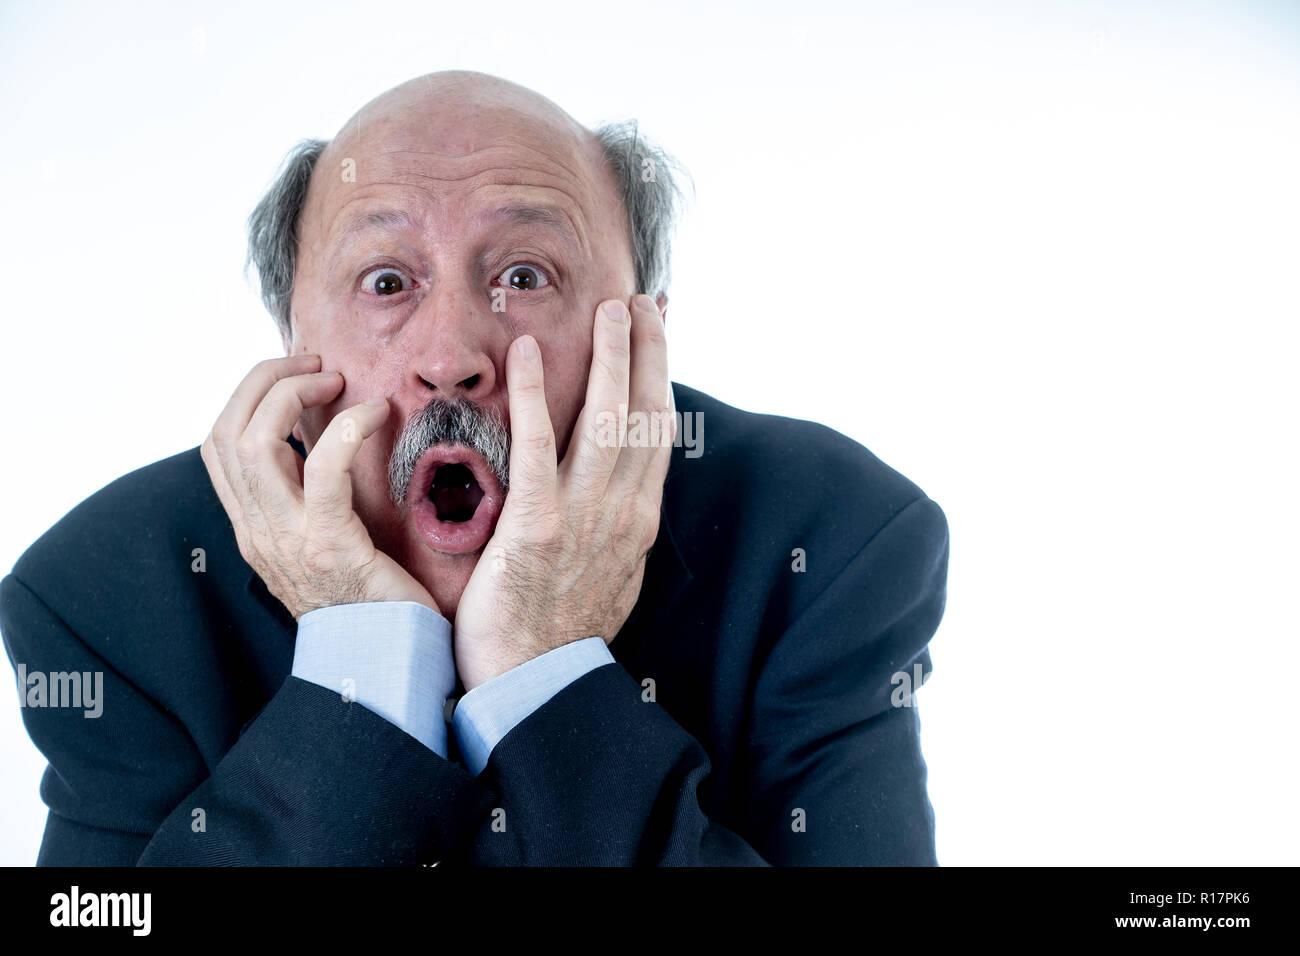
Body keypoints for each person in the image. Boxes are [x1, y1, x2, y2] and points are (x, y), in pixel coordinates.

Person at [0, 70, 950, 865]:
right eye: (386, 282)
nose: (451, 351)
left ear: (643, 333)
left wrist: (545, 675)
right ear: (294, 342)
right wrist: (361, 675)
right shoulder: (103, 598)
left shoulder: (829, 545)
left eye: (524, 276)